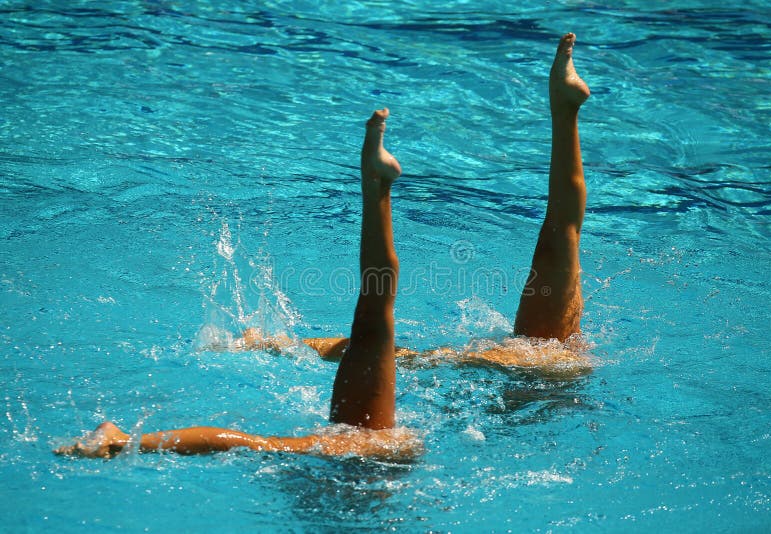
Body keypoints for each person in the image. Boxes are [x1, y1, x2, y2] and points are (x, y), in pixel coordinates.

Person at [55, 33, 590, 460]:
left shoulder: (381, 444)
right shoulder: (374, 443)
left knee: (379, 317)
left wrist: (275, 346)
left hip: (530, 371)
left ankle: (385, 184)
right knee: (378, 322)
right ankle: (555, 113)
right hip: (532, 371)